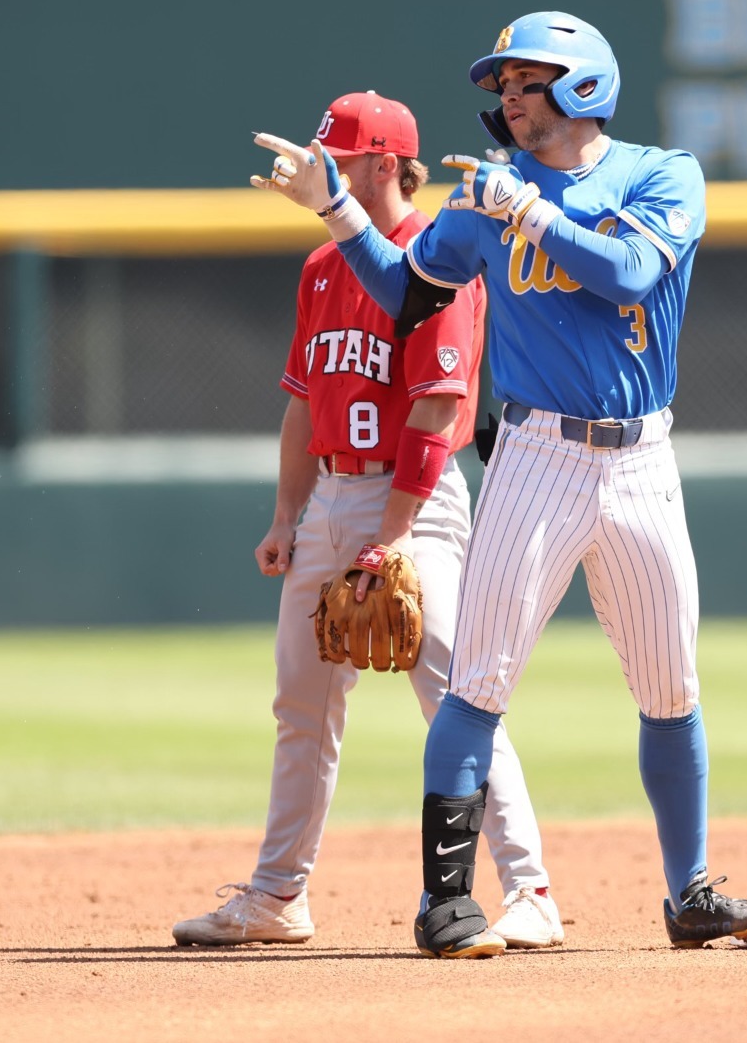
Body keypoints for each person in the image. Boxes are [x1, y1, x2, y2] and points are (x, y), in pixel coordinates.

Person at [251, 13, 747, 957]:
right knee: (477, 685)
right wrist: (339, 208)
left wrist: (525, 211)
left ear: (583, 87)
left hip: (642, 459)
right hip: (537, 457)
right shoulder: (486, 197)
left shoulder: (663, 174)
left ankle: (690, 890)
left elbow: (625, 274)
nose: (507, 95)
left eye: (526, 79)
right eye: (501, 83)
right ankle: (446, 904)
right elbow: (407, 290)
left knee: (671, 687)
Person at [176, 92, 561, 951]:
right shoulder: (321, 269)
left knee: (461, 699)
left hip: (415, 503)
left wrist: (389, 533)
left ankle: (530, 887)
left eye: (337, 159)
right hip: (330, 500)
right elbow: (302, 403)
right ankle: (279, 894)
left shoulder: (437, 255)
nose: (323, 173)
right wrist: (287, 514)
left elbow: (437, 410)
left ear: (384, 164)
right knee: (300, 702)